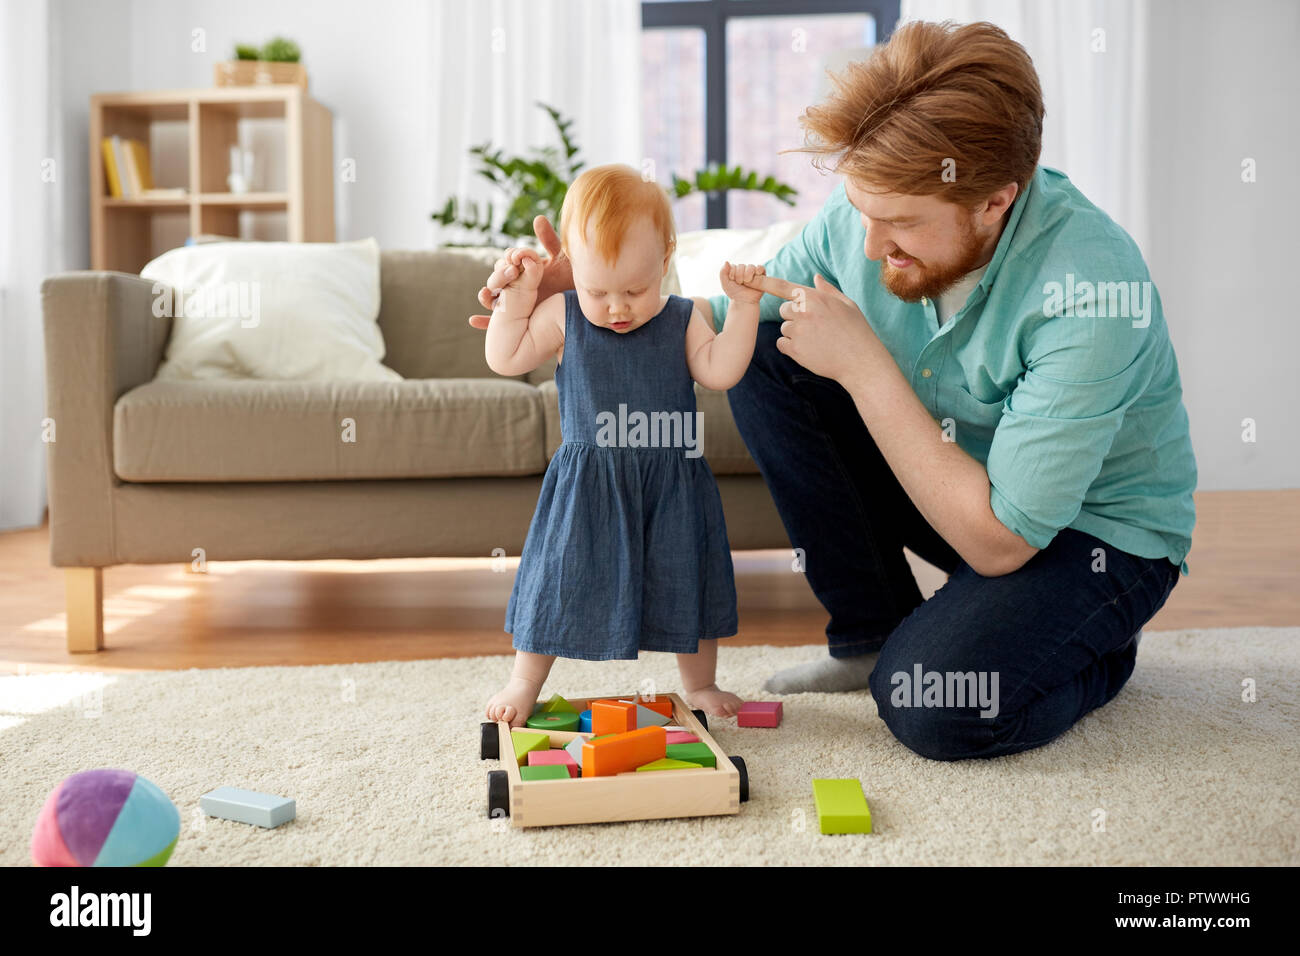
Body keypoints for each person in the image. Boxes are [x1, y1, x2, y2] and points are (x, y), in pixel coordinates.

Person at [471, 20, 1196, 760]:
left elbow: (1002, 540)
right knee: (765, 351)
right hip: (961, 490)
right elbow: (718, 330)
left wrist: (864, 366)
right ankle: (869, 629)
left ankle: (1099, 645)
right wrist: (596, 295)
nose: (872, 244)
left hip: (1089, 537)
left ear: (994, 202)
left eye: (902, 223)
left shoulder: (1090, 287)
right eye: (862, 211)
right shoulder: (859, 224)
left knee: (930, 705)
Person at [482, 163, 765, 727]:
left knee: (687, 579)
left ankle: (701, 684)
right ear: (572, 270)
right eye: (597, 290)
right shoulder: (562, 313)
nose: (616, 307)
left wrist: (746, 307)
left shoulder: (685, 318)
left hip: (672, 481)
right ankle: (524, 680)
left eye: (635, 290)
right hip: (590, 483)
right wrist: (518, 300)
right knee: (559, 579)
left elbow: (722, 371)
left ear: (665, 261)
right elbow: (505, 358)